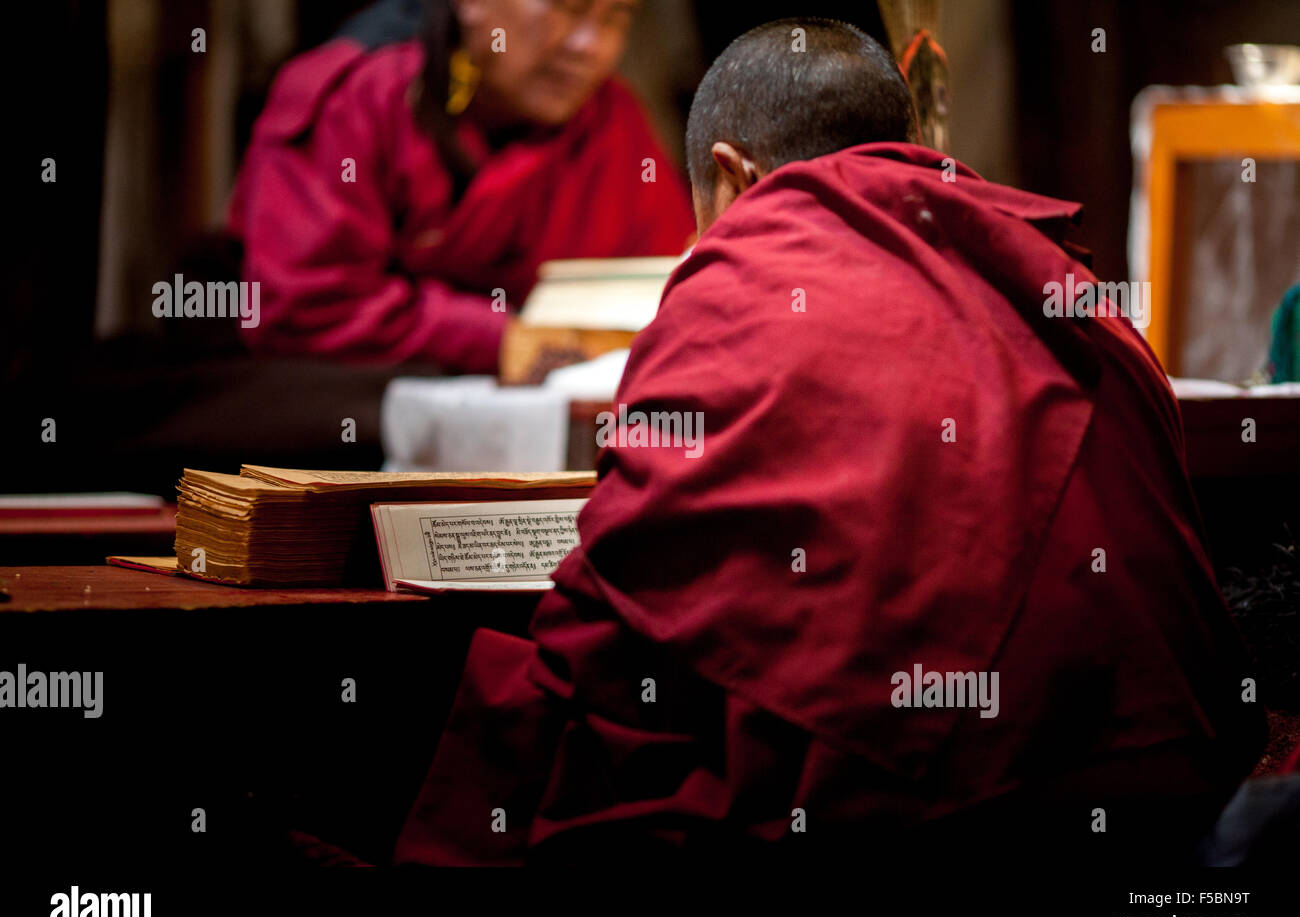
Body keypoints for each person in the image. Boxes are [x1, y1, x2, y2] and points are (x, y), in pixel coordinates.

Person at [392, 17, 1266, 864]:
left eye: (702, 221)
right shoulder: (1064, 279)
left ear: (732, 180)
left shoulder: (747, 271)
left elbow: (608, 638)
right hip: (1163, 773)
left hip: (929, 808)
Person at [228, 0, 694, 373]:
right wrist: (498, 339)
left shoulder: (611, 122)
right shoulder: (361, 98)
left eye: (616, 17)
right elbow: (306, 305)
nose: (590, 45)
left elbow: (671, 287)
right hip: (348, 422)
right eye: (567, 9)